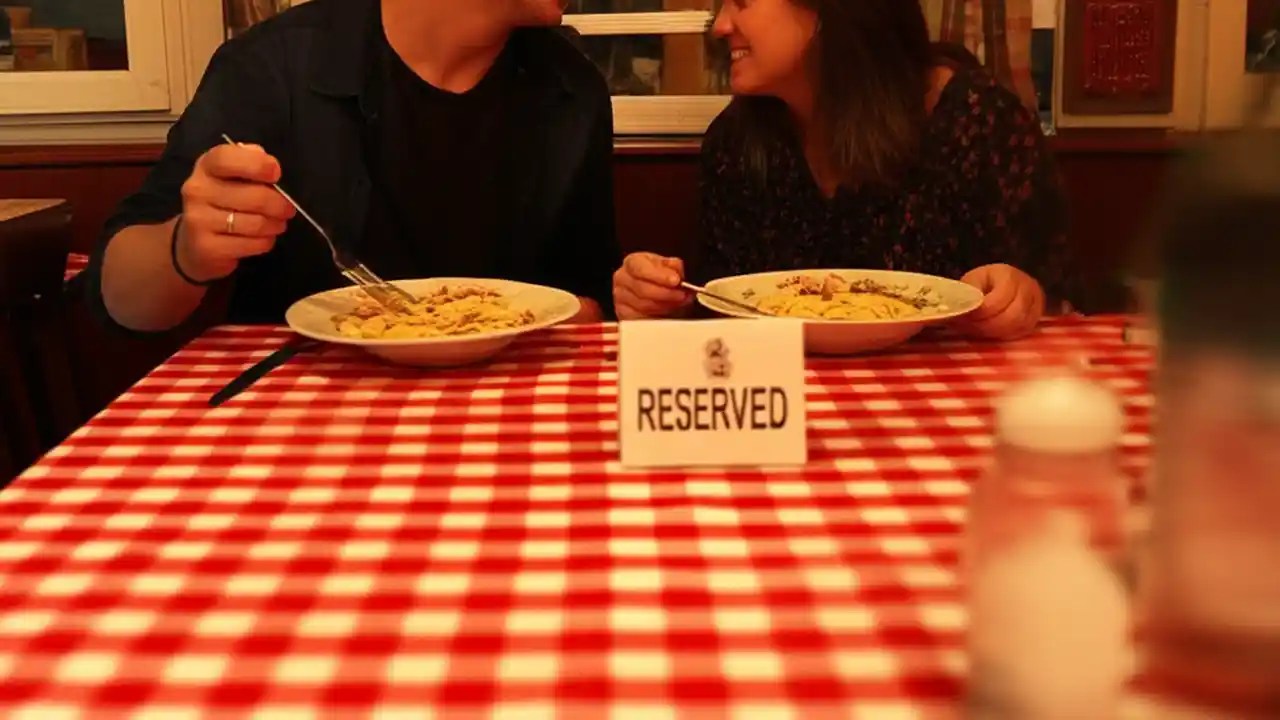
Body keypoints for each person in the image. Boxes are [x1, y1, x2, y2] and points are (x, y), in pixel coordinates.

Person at [91, 0, 619, 333]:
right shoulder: (274, 68)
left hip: (505, 414)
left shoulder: (572, 91)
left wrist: (595, 309)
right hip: (302, 417)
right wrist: (189, 247)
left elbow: (588, 296)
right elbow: (125, 299)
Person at [612, 0, 1072, 340]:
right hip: (789, 411)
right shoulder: (736, 143)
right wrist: (658, 301)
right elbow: (723, 314)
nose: (722, 26)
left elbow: (1059, 305)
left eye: (742, 3)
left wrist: (1019, 296)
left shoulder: (976, 121)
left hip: (945, 410)